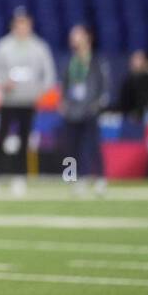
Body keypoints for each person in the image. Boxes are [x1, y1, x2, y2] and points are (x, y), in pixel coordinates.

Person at [0, 7, 55, 196]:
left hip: (28, 102)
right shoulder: (3, 46)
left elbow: (49, 75)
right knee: (1, 139)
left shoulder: (39, 47)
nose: (22, 27)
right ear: (13, 25)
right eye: (18, 23)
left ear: (30, 25)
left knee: (24, 140)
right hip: (7, 101)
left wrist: (39, 92)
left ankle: (19, 177)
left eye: (25, 23)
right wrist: (2, 84)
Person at [59, 24, 110, 196]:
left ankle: (100, 179)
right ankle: (72, 179)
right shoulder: (70, 62)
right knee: (71, 147)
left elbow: (103, 86)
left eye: (77, 35)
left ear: (87, 38)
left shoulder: (96, 61)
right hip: (72, 110)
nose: (73, 39)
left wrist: (97, 103)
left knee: (93, 146)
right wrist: (63, 102)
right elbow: (65, 85)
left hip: (89, 110)